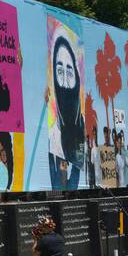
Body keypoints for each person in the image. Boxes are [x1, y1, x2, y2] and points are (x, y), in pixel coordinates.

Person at [47, 35, 83, 190]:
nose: (66, 84)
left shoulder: (82, 128)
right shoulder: (52, 134)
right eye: (60, 71)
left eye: (69, 72)